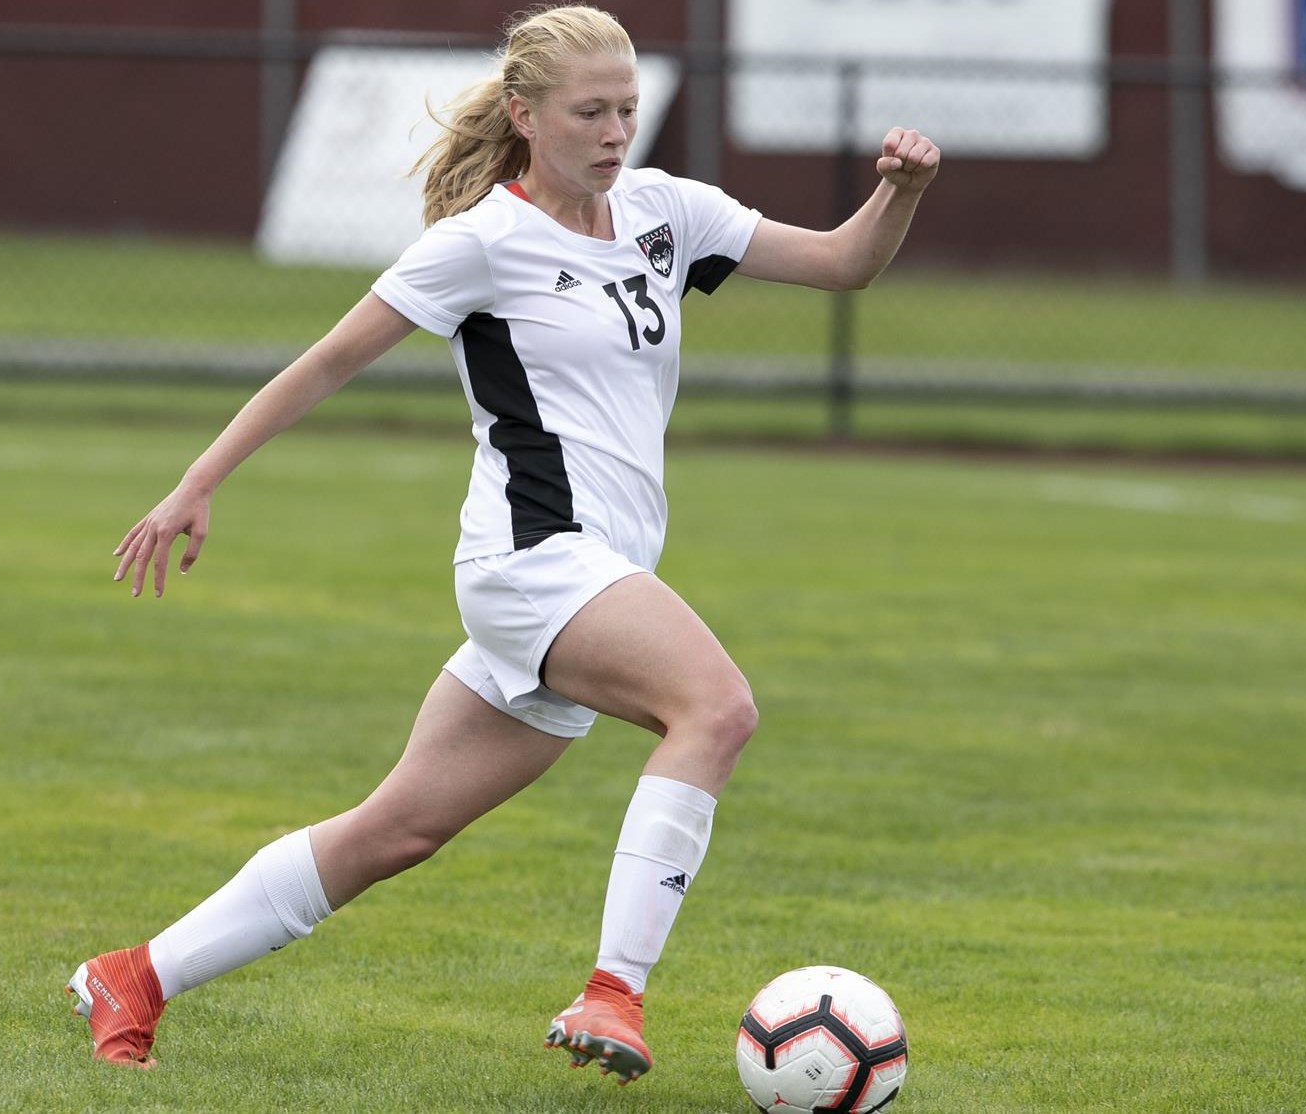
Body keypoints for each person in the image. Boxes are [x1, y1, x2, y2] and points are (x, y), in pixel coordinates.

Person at [66, 2, 939, 1086]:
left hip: (592, 576)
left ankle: (134, 976)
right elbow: (328, 361)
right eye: (589, 111)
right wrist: (197, 481)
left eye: (626, 107)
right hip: (531, 564)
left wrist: (895, 192)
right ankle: (612, 991)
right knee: (715, 708)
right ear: (526, 116)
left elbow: (844, 263)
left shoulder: (668, 210)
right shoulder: (481, 241)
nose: (615, 129)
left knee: (390, 833)